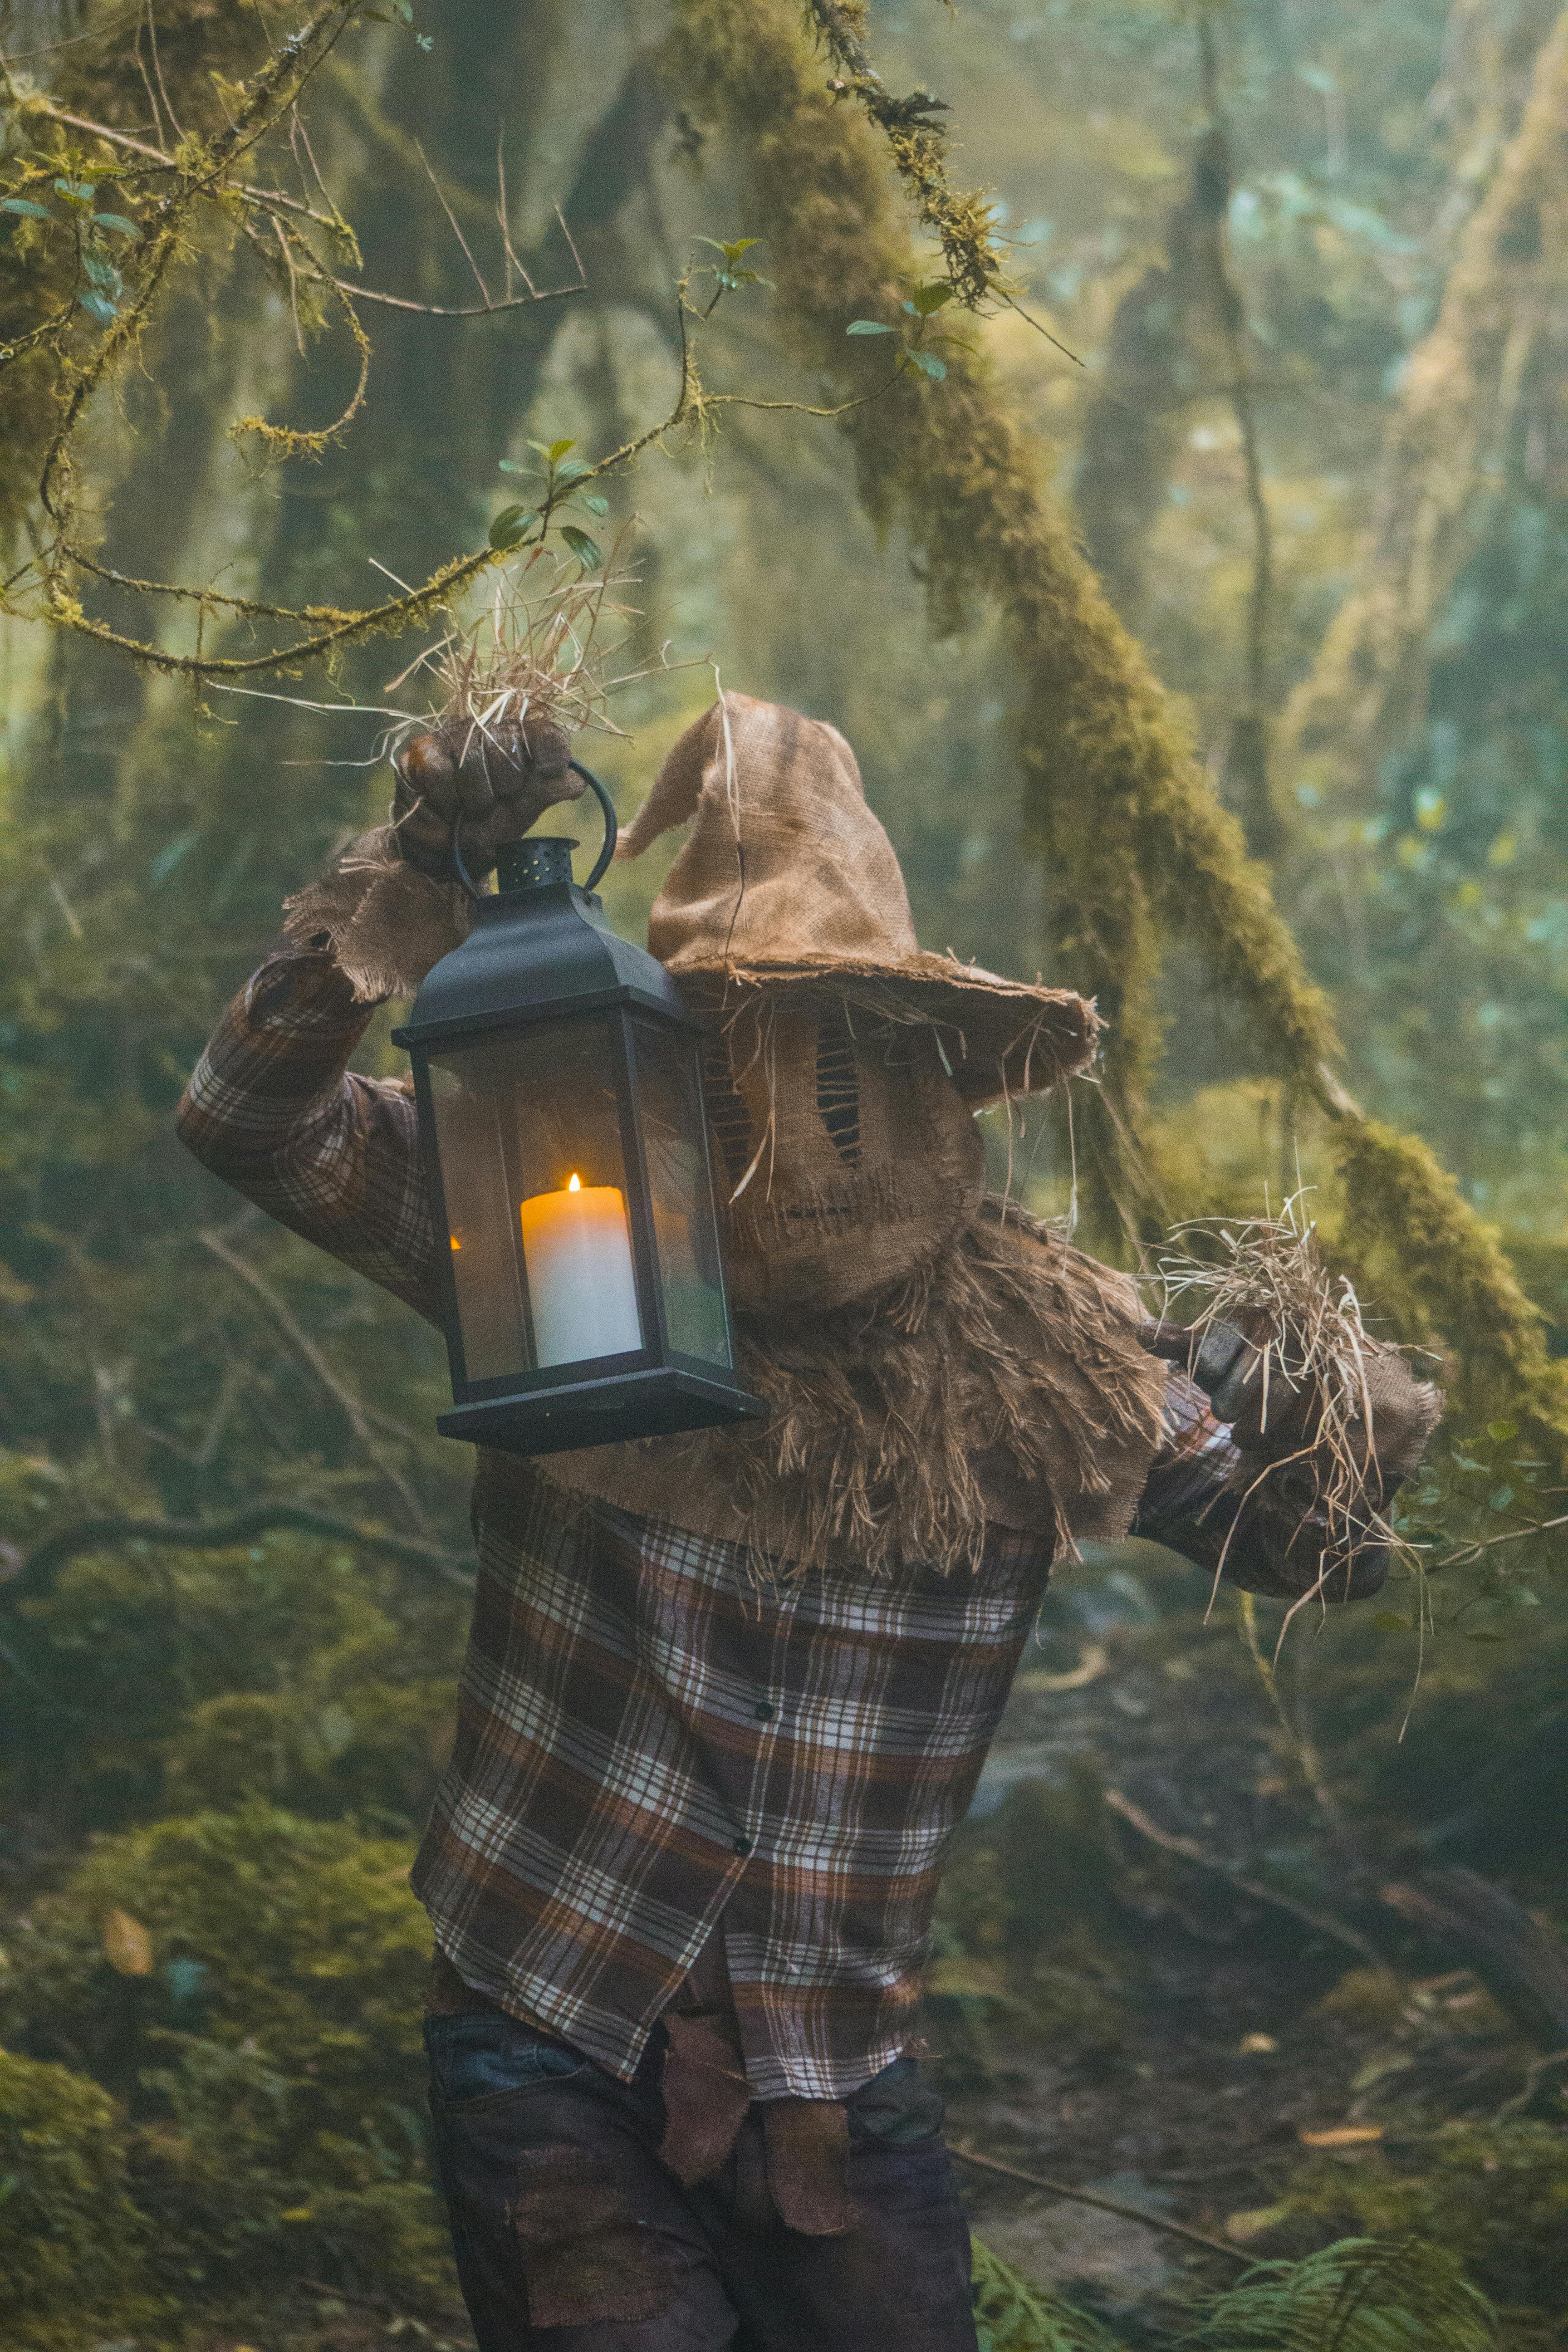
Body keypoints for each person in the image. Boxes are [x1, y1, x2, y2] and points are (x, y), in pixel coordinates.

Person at [177, 693, 1440, 2351]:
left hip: (838, 2073)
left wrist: (1326, 1394)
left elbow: (1320, 1550)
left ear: (930, 1069)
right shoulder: (550, 1227)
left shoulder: (1048, 1350)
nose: (793, 1111)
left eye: (842, 1049)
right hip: (550, 2024)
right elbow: (249, 1118)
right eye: (732, 1052)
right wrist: (420, 869)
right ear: (650, 1062)